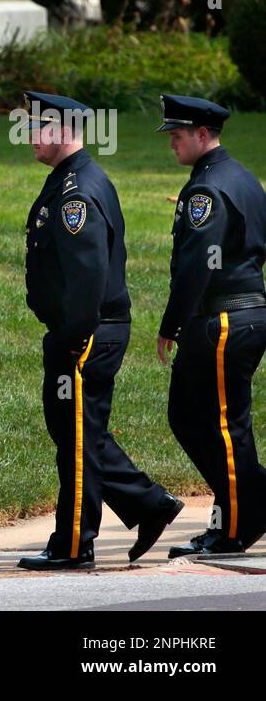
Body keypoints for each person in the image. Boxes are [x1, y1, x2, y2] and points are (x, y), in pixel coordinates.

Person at [16, 91, 183, 571]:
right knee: (75, 430)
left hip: (87, 333)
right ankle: (150, 505)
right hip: (84, 331)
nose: (29, 136)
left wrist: (72, 336)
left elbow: (87, 275)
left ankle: (74, 544)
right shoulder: (70, 180)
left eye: (36, 127)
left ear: (61, 131)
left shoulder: (77, 192)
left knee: (77, 436)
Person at [156, 94, 266, 557]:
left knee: (221, 425)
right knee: (188, 415)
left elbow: (196, 265)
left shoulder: (206, 189)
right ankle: (247, 507)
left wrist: (171, 323)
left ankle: (236, 529)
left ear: (203, 135)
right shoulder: (240, 176)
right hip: (241, 314)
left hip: (222, 318)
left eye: (178, 136)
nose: (172, 145)